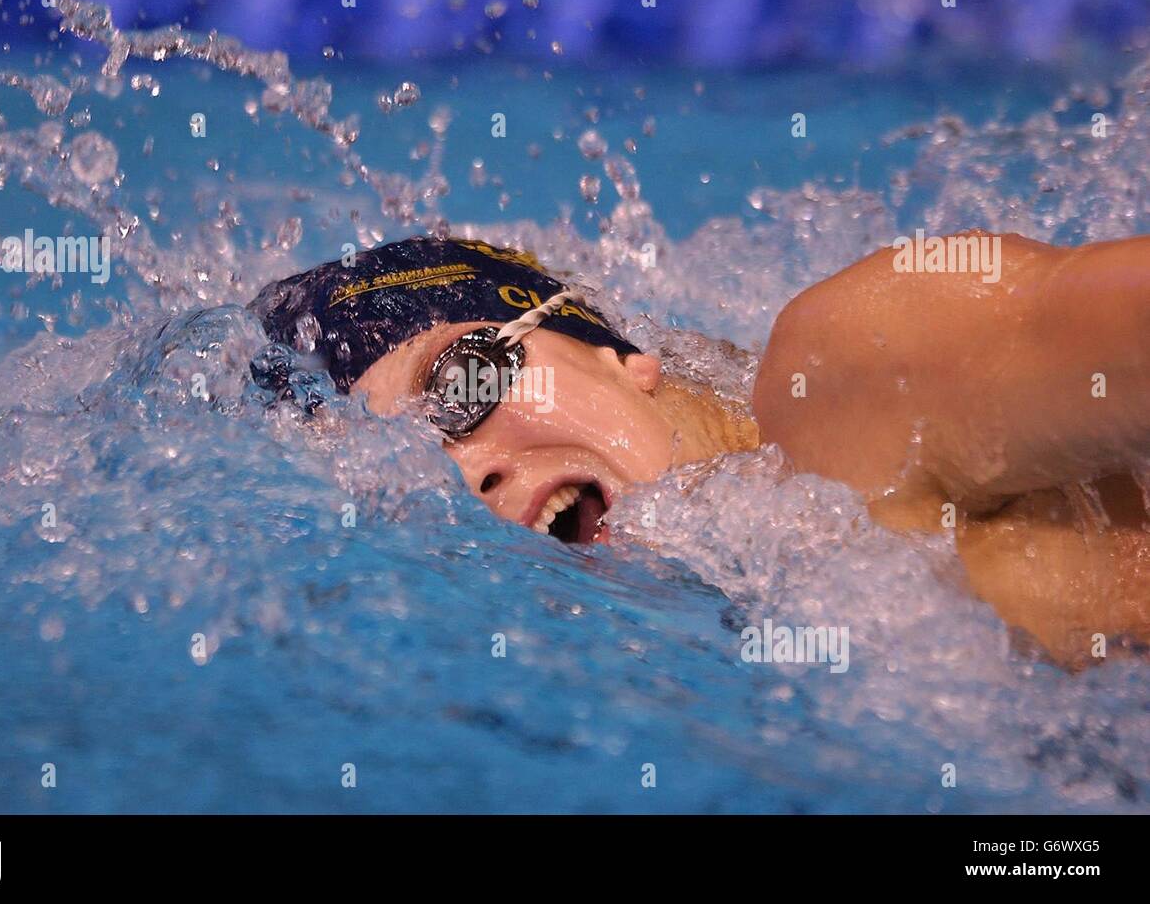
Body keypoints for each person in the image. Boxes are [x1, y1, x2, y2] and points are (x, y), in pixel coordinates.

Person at [249, 234, 1150, 663]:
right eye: (401, 464)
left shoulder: (852, 377)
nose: (464, 470)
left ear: (616, 355)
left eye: (462, 385)